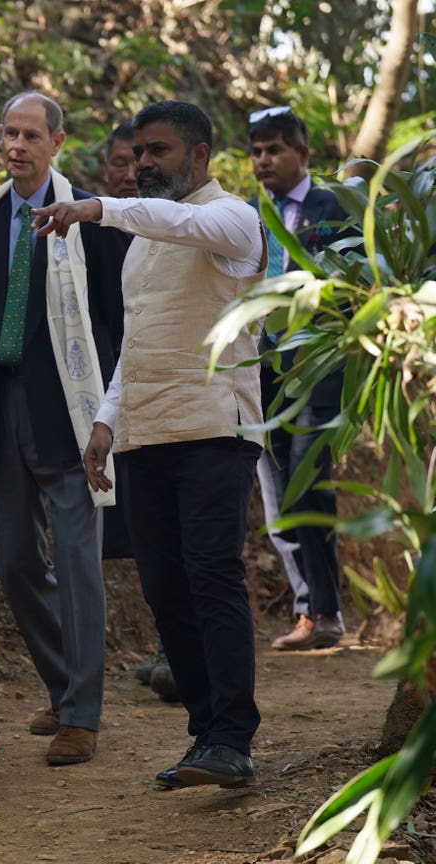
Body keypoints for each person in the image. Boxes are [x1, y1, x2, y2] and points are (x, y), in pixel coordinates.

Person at [34, 100, 267, 789]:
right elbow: (137, 345)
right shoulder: (142, 244)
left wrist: (98, 207)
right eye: (138, 154)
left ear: (199, 155)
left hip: (214, 431)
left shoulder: (233, 219)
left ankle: (233, 737)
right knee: (167, 593)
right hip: (145, 435)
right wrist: (107, 420)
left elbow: (183, 222)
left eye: (158, 152)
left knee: (213, 579)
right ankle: (207, 738)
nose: (143, 166)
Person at [0, 92, 127, 766]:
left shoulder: (92, 220)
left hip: (70, 415)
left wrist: (108, 414)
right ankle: (62, 685)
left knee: (80, 562)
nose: (16, 146)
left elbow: (114, 324)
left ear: (57, 142)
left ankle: (81, 715)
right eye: (9, 134)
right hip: (0, 411)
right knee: (16, 560)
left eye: (31, 135)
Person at [247, 105, 350, 651]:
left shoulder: (334, 208)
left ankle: (326, 612)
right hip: (259, 370)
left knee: (310, 481)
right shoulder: (247, 213)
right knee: (277, 491)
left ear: (303, 154)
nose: (264, 160)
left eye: (275, 149)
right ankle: (309, 606)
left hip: (317, 367)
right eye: (257, 151)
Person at [101, 121, 178, 701]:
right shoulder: (92, 229)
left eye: (143, 161)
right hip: (108, 395)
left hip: (172, 400)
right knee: (139, 537)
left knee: (182, 532)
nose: (132, 174)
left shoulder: (182, 227)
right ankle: (169, 642)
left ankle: (175, 649)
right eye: (122, 163)